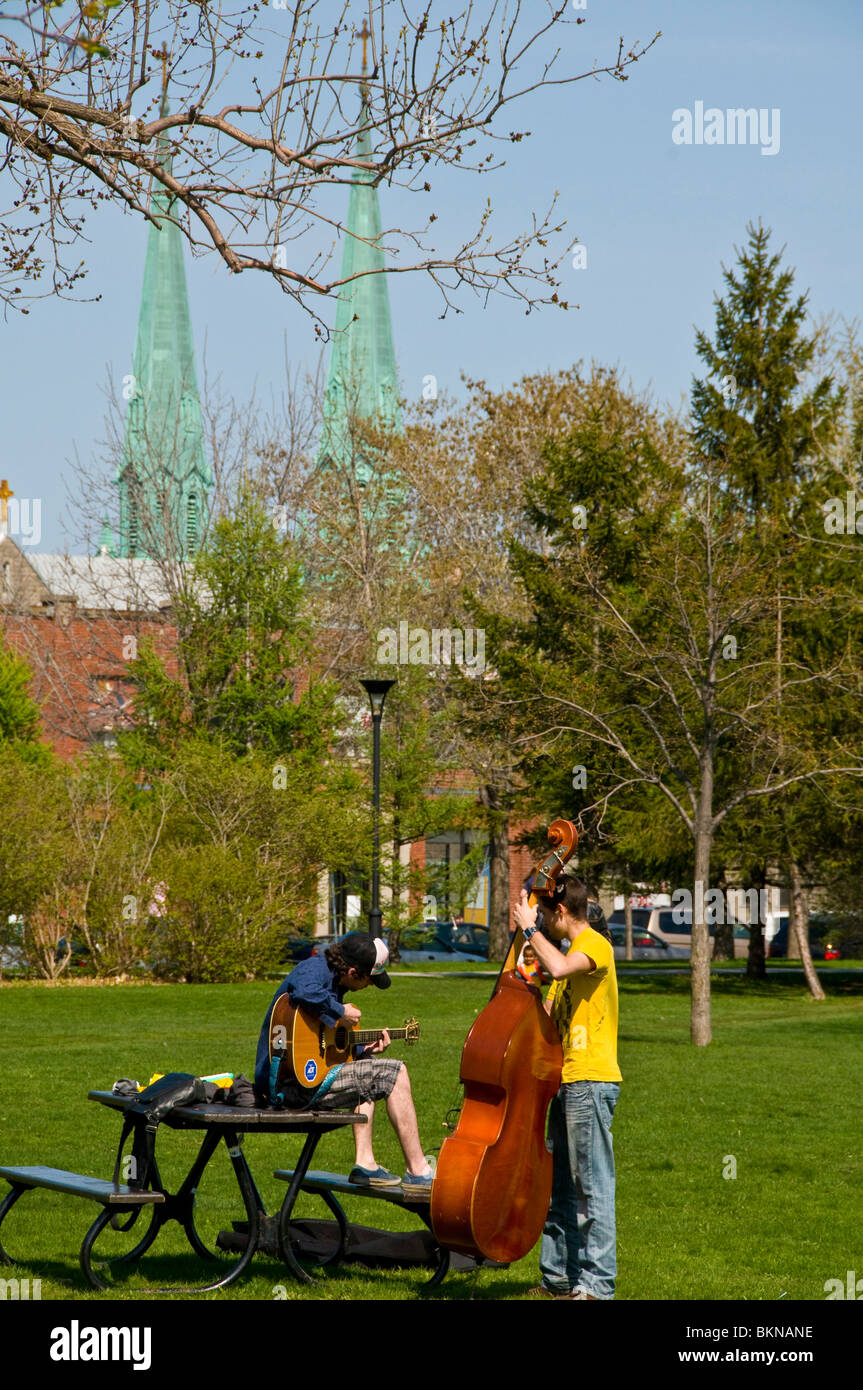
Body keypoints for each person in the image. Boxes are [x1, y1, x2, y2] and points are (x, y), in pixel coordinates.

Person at [253, 932, 434, 1192]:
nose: (370, 986)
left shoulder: (336, 981)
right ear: (352, 971)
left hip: (299, 1078)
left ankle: (365, 1163)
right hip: (290, 1084)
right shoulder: (314, 969)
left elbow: (322, 1041)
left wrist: (361, 1048)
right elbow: (304, 990)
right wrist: (341, 1010)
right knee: (395, 1072)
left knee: (368, 1066)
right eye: (370, 981)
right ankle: (418, 1171)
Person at [513, 874, 622, 1300]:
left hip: (591, 1079)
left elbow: (558, 966)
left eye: (543, 914)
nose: (540, 919)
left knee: (591, 1186)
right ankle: (559, 1278)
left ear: (560, 912)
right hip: (563, 1080)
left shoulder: (593, 945)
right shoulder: (564, 960)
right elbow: (545, 1009)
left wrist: (529, 928)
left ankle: (596, 1286)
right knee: (560, 1185)